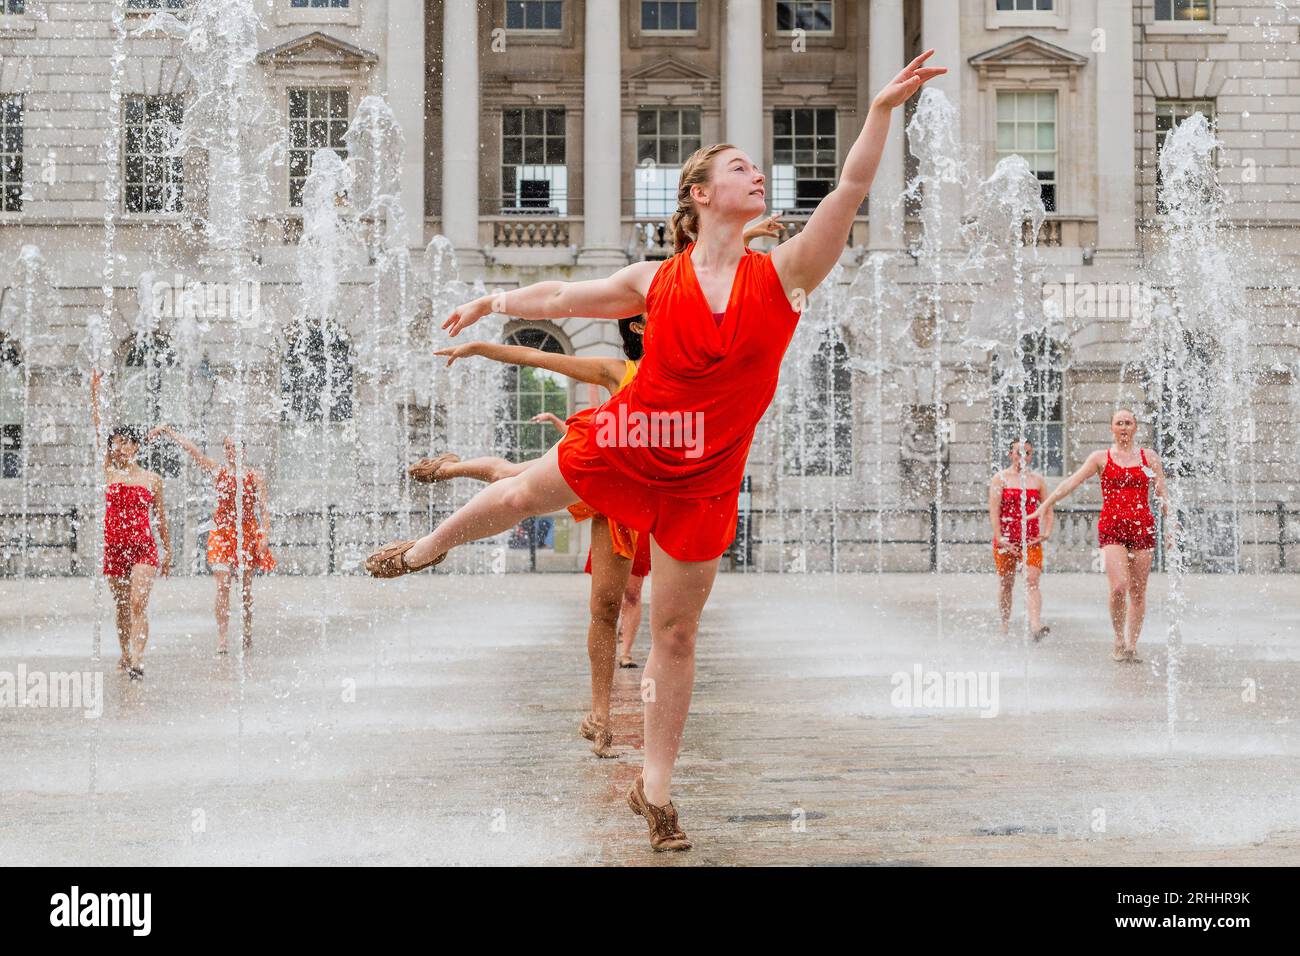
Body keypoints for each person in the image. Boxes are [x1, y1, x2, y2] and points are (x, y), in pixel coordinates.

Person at [364, 51, 947, 851]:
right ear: (703, 196)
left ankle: (657, 792)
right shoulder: (654, 278)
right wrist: (492, 300)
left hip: (707, 477)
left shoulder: (787, 274)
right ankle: (425, 548)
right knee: (515, 494)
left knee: (675, 636)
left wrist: (881, 110)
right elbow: (564, 298)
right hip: (635, 436)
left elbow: (847, 190)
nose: (757, 175)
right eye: (740, 168)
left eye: (757, 168)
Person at [413, 318, 648, 756]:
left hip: (627, 494)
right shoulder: (622, 371)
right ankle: (446, 470)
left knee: (606, 605)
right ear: (639, 328)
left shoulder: (693, 373)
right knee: (510, 478)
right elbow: (542, 357)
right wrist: (483, 347)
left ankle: (599, 717)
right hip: (592, 464)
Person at [1029, 408, 1171, 663]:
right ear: (1112, 428)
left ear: (1135, 428)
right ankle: (1118, 638)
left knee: (1138, 592)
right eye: (1119, 423)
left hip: (1142, 528)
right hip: (1112, 528)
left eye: (1128, 423)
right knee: (1119, 587)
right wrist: (1045, 504)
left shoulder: (1148, 457)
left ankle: (1132, 645)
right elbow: (1070, 483)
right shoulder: (1100, 458)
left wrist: (1171, 526)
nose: (1124, 427)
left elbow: (1162, 494)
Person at [147, 427, 275, 655]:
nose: (231, 451)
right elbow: (193, 451)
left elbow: (264, 509)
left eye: (235, 447)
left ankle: (246, 631)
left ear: (243, 450)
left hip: (247, 533)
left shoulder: (255, 476)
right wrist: (168, 431)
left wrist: (264, 534)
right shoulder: (218, 471)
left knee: (245, 589)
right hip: (221, 533)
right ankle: (223, 638)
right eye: (227, 447)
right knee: (223, 585)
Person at [91, 370, 171, 679]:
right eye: (116, 443)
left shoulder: (152, 479)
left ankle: (137, 658)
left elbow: (161, 518)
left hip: (143, 548)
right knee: (122, 606)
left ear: (136, 447)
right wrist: (95, 396)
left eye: (125, 443)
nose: (119, 447)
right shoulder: (111, 474)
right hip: (115, 547)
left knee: (138, 602)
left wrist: (169, 551)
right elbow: (98, 433)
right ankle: (125, 652)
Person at [988, 440, 1052, 640]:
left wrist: (1047, 532)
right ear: (1010, 454)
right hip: (1006, 540)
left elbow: (1048, 509)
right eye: (1019, 452)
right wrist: (999, 537)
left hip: (1031, 540)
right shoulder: (1000, 479)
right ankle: (1004, 625)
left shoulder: (1037, 480)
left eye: (1028, 453)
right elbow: (994, 510)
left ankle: (1035, 626)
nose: (1023, 456)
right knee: (1007, 583)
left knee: (1032, 580)